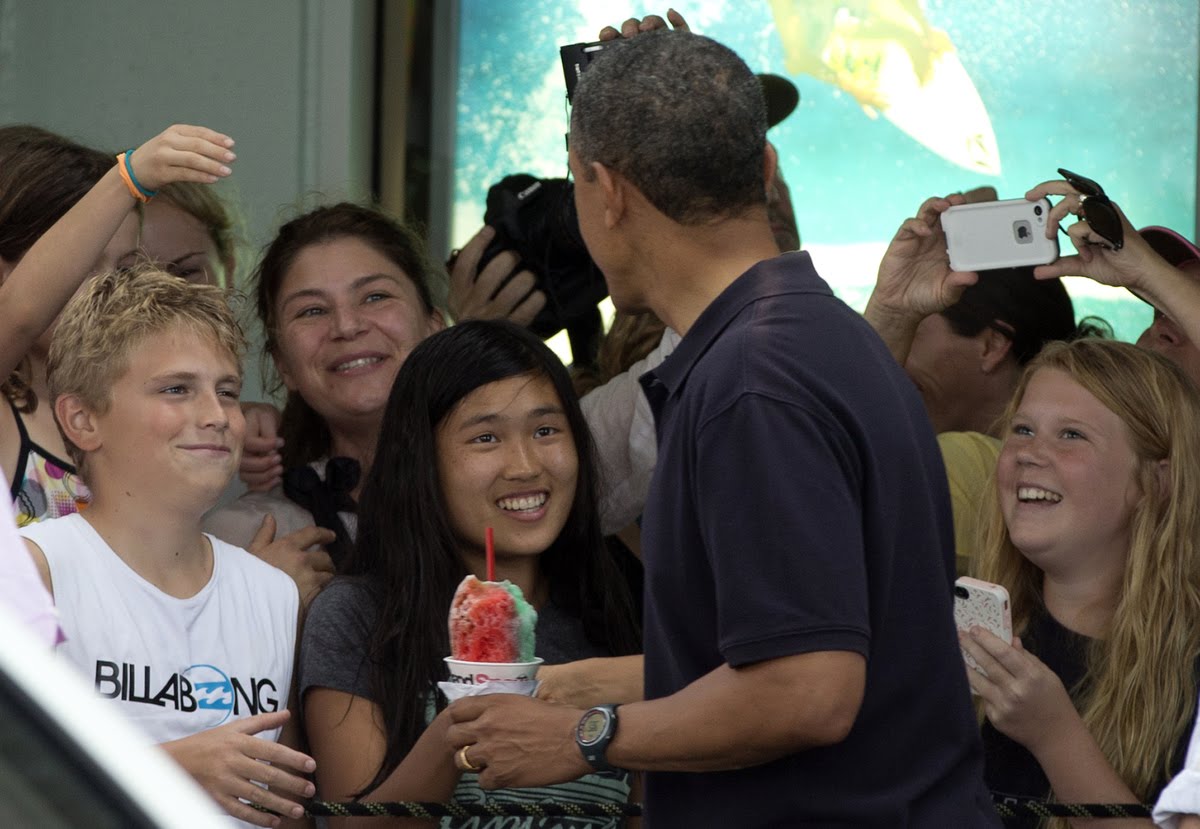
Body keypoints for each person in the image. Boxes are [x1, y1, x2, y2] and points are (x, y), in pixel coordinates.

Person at [444, 27, 998, 827]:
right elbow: (786, 652)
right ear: (764, 170)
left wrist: (585, 734)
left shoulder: (751, 383)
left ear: (606, 192)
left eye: (575, 181)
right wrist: (585, 684)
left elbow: (806, 690)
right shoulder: (823, 335)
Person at [299, 319, 642, 827]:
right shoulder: (357, 616)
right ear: (422, 463)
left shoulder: (622, 605)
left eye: (546, 430)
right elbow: (356, 823)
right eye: (485, 438)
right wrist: (461, 728)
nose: (525, 465)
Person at [19, 268, 316, 828]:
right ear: (82, 419)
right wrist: (170, 768)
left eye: (227, 391)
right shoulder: (36, 572)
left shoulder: (273, 594)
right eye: (176, 389)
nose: (217, 416)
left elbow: (288, 805)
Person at [960, 339, 1200, 829]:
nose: (1028, 453)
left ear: (1158, 482)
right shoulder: (950, 620)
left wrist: (1054, 735)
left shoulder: (1189, 670)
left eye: (1071, 435)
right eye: (1022, 429)